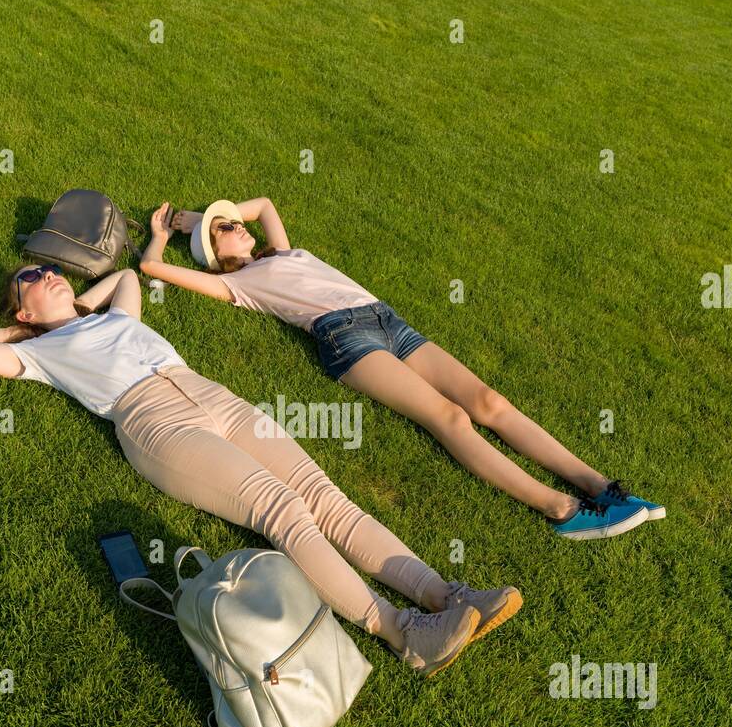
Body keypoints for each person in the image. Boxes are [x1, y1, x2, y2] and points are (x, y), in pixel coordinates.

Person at [0, 264, 522, 677]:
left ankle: (448, 596)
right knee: (282, 511)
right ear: (21, 310)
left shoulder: (111, 317)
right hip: (157, 424)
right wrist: (24, 331)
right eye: (30, 280)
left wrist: (78, 305)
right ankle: (402, 632)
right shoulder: (35, 353)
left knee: (324, 496)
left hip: (211, 394)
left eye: (50, 272)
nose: (48, 276)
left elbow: (128, 279)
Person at [139, 198, 665, 540]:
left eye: (232, 221)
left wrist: (199, 216)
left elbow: (266, 205)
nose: (237, 224)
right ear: (213, 255)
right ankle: (562, 510)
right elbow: (151, 269)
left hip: (386, 319)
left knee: (489, 402)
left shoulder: (284, 251)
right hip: (345, 338)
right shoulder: (240, 286)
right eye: (225, 229)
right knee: (450, 418)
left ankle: (600, 487)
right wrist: (168, 233)